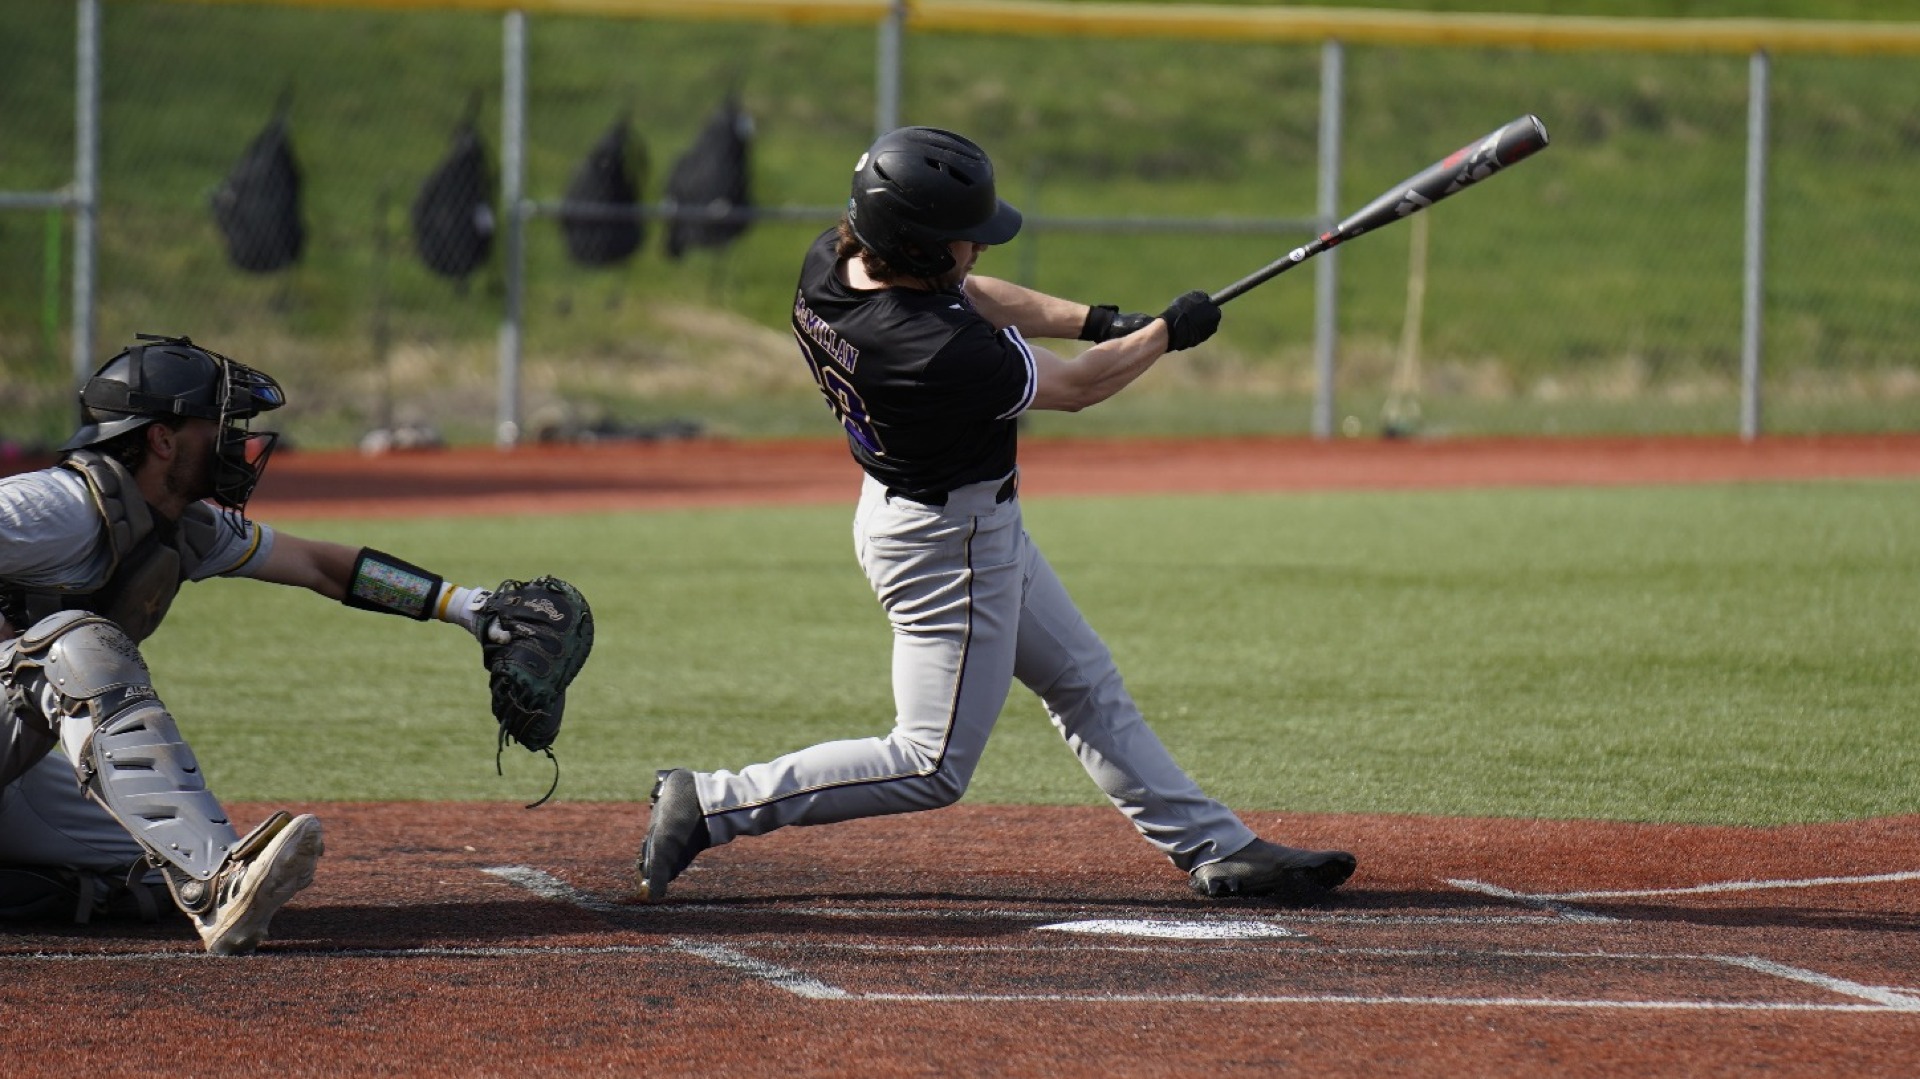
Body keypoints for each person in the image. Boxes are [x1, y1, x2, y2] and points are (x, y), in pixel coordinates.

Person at [637, 127, 1356, 903]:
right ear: (915, 246)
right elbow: (1079, 388)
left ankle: (1216, 845)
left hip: (934, 517)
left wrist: (1099, 319)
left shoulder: (835, 265)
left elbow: (970, 294)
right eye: (962, 237)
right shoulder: (936, 354)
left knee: (1083, 680)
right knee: (929, 763)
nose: (977, 247)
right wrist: (1165, 335)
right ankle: (711, 802)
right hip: (950, 546)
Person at [0, 334, 578, 953]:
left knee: (141, 875)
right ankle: (217, 885)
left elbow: (326, 568)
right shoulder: (59, 507)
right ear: (161, 439)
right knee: (73, 643)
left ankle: (207, 871)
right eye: (218, 426)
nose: (237, 442)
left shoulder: (178, 524)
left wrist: (471, 608)